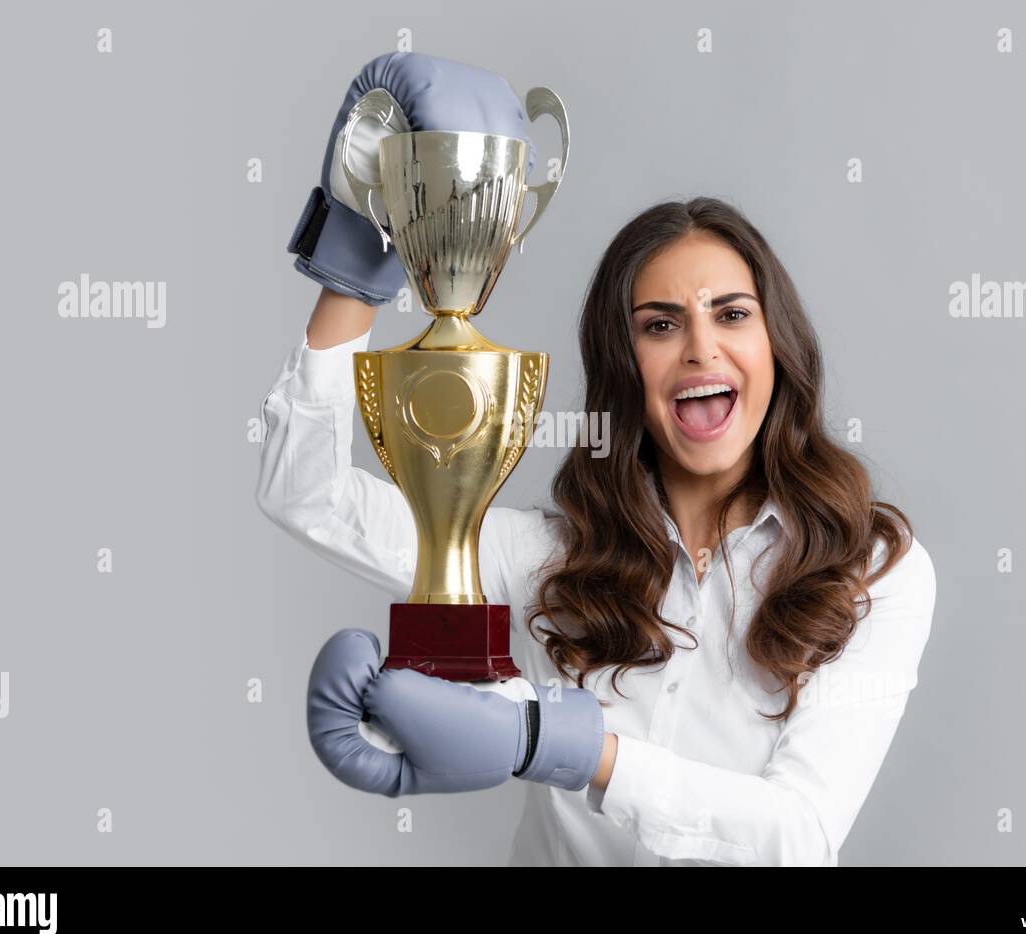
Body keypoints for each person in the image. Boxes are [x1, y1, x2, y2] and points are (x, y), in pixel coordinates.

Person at [258, 51, 937, 866]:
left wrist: (563, 746)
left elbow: (799, 834)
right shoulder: (551, 558)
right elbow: (309, 496)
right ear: (625, 367)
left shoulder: (874, 570)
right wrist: (350, 262)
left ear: (777, 344)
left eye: (731, 313)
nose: (699, 349)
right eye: (659, 324)